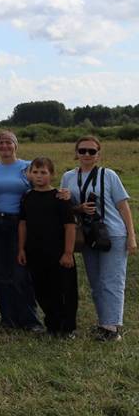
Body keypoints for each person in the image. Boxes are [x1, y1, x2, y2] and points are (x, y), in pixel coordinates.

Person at [60, 135, 136, 341]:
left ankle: (112, 329)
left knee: (112, 280)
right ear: (76, 153)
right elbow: (65, 207)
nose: (86, 154)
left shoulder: (109, 175)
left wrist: (131, 236)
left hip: (113, 233)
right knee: (96, 282)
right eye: (82, 150)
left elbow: (123, 206)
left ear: (98, 155)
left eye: (91, 151)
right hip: (88, 235)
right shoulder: (68, 177)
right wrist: (79, 207)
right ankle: (104, 323)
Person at [0, 130, 42, 331]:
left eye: (8, 142)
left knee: (20, 272)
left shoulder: (27, 167)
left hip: (18, 222)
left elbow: (40, 190)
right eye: (0, 142)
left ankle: (29, 320)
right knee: (0, 272)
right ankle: (7, 319)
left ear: (15, 145)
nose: (4, 146)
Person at [18, 157, 77, 338]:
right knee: (42, 289)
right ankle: (52, 325)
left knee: (64, 290)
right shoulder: (27, 197)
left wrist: (68, 253)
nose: (39, 176)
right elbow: (23, 224)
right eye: (35, 172)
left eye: (43, 172)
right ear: (29, 174)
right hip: (35, 252)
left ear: (52, 174)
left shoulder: (60, 197)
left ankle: (67, 328)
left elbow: (70, 226)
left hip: (58, 252)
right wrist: (21, 249)